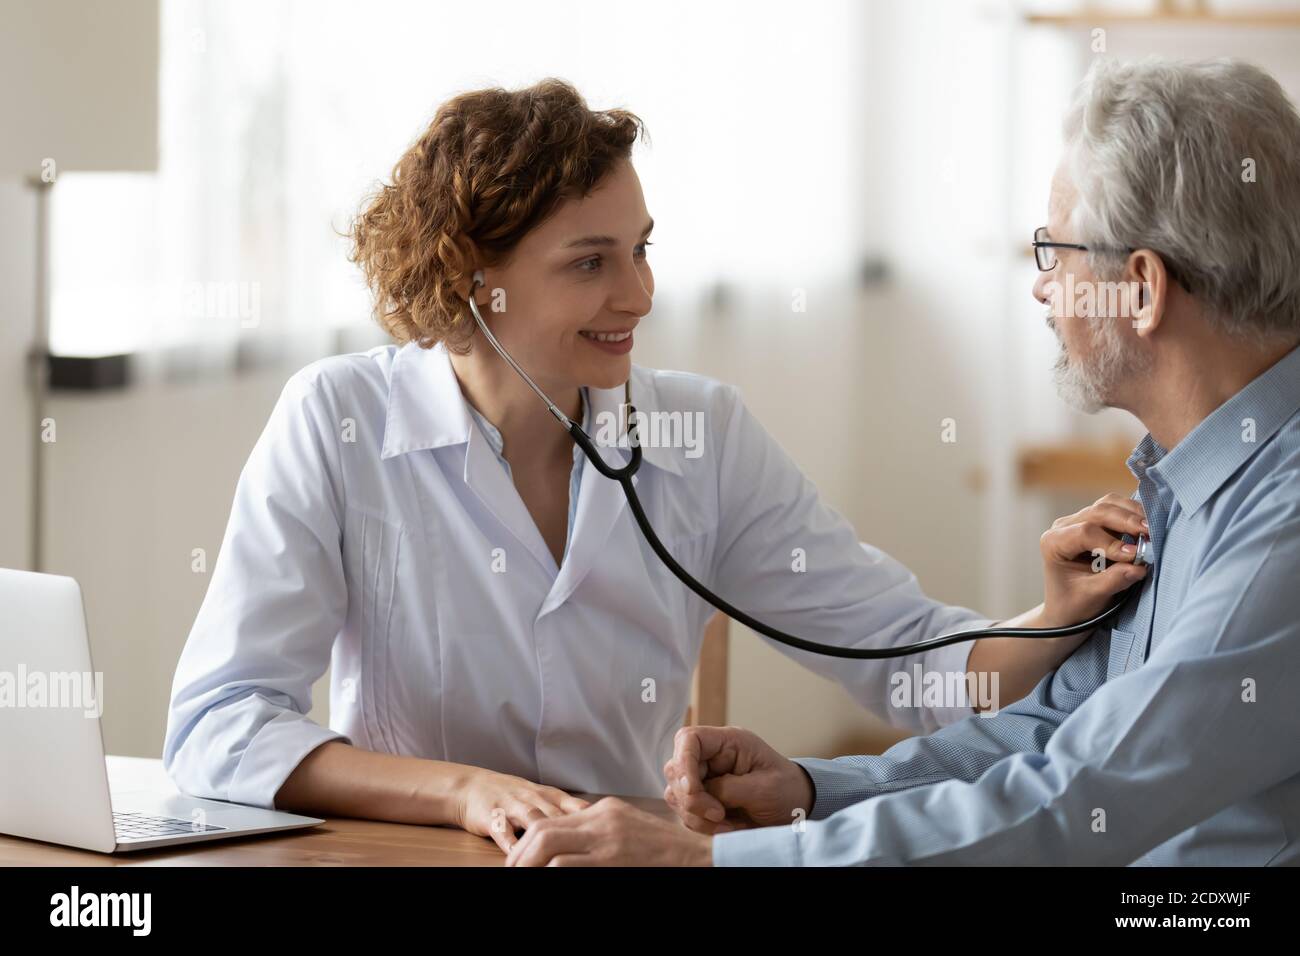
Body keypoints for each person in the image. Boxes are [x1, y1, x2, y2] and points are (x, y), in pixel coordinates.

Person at [163, 79, 1141, 854]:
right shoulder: (337, 419)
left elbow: (916, 664)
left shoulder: (701, 434)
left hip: (619, 858)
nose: (639, 292)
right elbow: (222, 721)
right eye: (590, 262)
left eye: (640, 249)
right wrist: (462, 791)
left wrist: (1055, 615)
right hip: (400, 856)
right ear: (474, 279)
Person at [506, 57, 1300, 867]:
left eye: (1053, 250)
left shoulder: (1282, 519)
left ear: (1140, 287)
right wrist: (814, 793)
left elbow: (1083, 792)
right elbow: (1050, 729)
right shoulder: (1185, 485)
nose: (1041, 289)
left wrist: (703, 861)